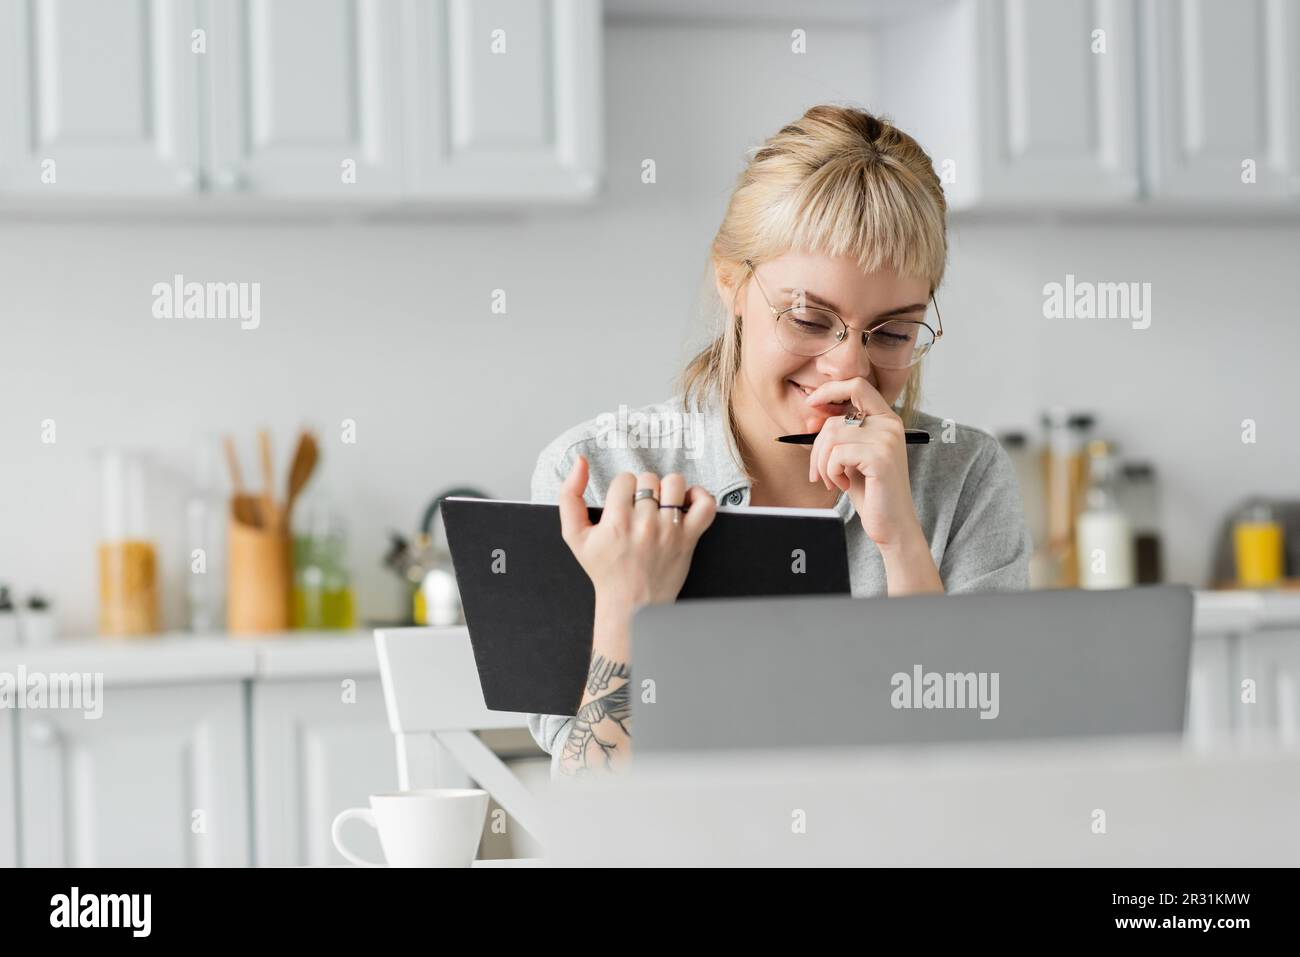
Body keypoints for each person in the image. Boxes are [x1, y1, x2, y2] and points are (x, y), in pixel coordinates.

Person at [527, 104, 1031, 778]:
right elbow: (595, 809)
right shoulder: (602, 472)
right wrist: (629, 611)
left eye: (891, 332)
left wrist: (903, 544)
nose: (848, 368)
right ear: (732, 282)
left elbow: (980, 775)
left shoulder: (966, 476)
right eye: (807, 317)